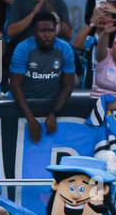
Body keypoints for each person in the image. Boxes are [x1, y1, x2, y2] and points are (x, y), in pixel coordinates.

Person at [8, 11, 76, 143]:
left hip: (52, 104)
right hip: (24, 105)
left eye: (51, 30)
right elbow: (15, 86)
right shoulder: (22, 49)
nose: (47, 35)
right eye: (43, 31)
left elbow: (68, 85)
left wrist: (54, 113)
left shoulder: (65, 49)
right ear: (34, 32)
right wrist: (30, 119)